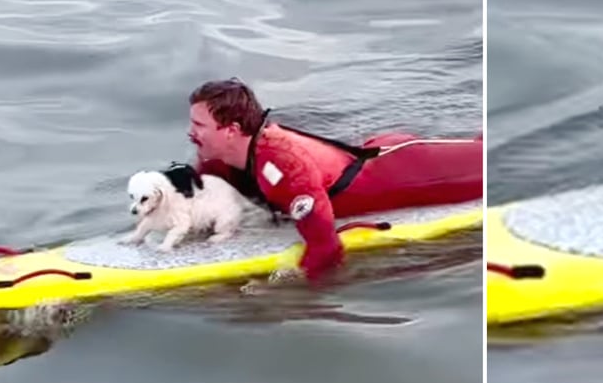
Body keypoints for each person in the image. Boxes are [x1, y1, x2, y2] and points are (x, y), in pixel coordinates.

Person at [186, 79, 482, 281]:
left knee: (487, 159)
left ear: (231, 130)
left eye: (199, 125)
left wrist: (282, 294)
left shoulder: (285, 167)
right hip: (357, 158)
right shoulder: (214, 160)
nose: (191, 133)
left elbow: (326, 249)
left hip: (406, 173)